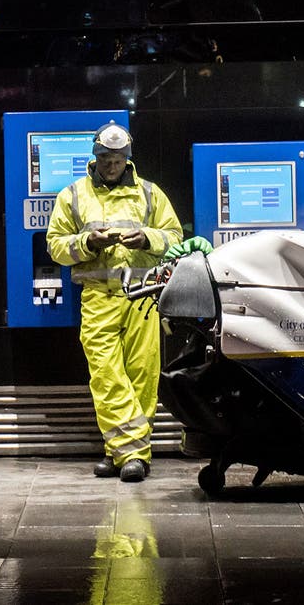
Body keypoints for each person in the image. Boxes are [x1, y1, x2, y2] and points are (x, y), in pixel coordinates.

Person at [46, 122, 183, 482]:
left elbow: (175, 238)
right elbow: (55, 246)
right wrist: (89, 243)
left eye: (118, 158)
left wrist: (148, 240)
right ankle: (133, 452)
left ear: (128, 158)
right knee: (106, 376)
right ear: (95, 156)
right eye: (105, 158)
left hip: (142, 297)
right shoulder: (73, 195)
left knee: (142, 375)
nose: (111, 165)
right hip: (99, 298)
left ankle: (120, 452)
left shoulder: (151, 194)